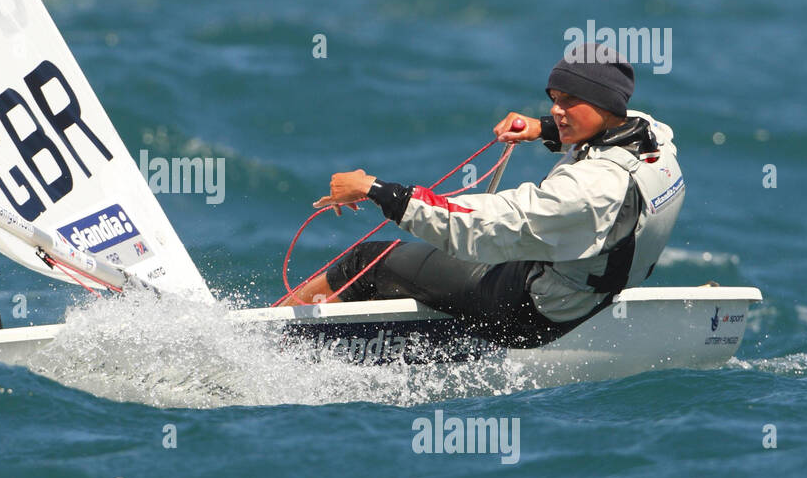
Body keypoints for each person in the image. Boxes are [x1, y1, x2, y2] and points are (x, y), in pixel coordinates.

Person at [279, 43, 687, 348]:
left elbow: (480, 224)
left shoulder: (587, 193)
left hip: (531, 312)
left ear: (604, 102)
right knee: (433, 267)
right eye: (554, 101)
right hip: (592, 289)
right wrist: (542, 128)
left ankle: (273, 339)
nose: (559, 111)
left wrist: (376, 190)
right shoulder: (653, 141)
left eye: (571, 102)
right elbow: (610, 136)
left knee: (369, 262)